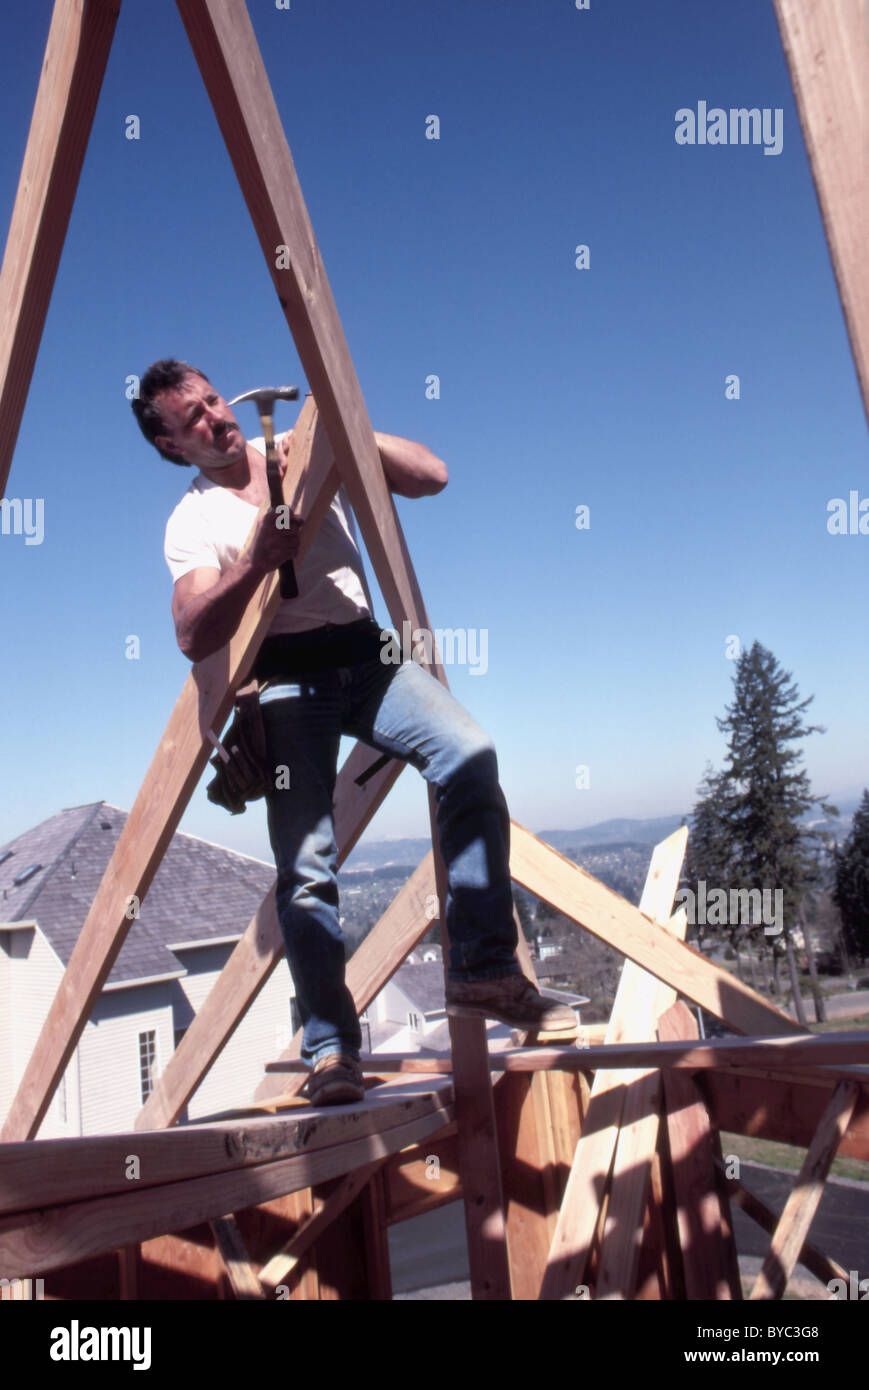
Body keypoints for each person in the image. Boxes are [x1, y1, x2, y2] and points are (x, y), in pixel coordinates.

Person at [132, 359, 577, 1104]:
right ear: (173, 446)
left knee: (468, 755)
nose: (216, 418)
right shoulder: (192, 520)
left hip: (366, 655)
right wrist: (255, 562)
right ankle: (332, 1051)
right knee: (306, 865)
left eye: (214, 400)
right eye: (193, 420)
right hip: (282, 676)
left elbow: (431, 474)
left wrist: (332, 431)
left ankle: (481, 970)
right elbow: (189, 630)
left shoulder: (300, 452)